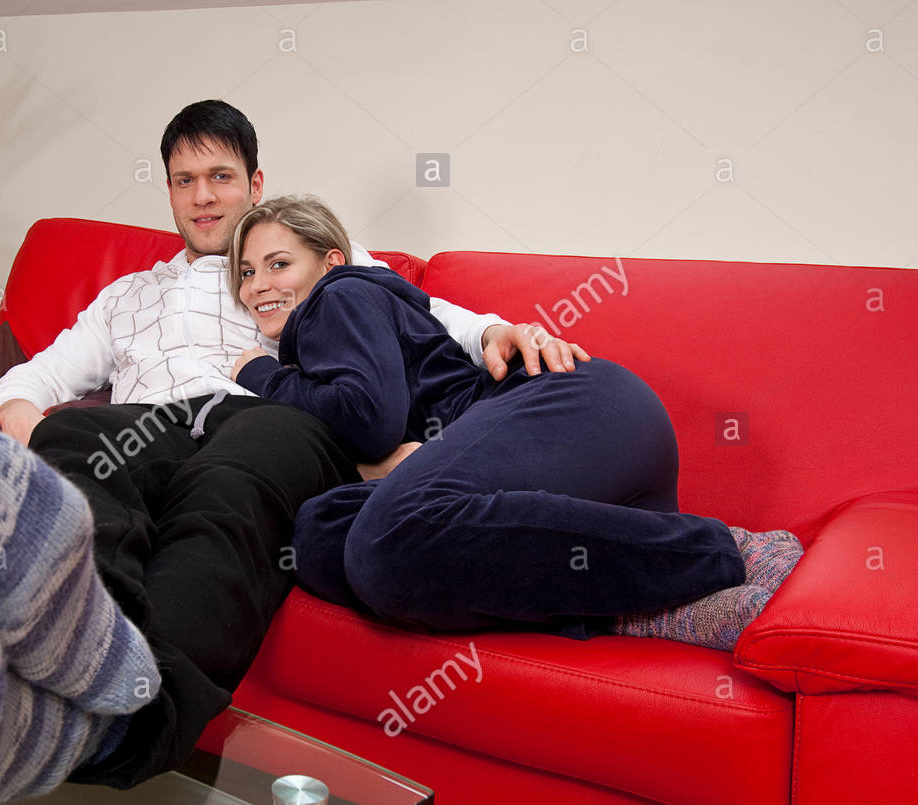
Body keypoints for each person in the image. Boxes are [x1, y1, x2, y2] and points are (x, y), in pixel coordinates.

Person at [0, 101, 593, 805]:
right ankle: (56, 661)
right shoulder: (127, 296)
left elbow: (428, 310)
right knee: (77, 440)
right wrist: (32, 439)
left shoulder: (291, 255)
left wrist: (503, 327)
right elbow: (27, 382)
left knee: (227, 495)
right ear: (169, 191)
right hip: (145, 427)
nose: (205, 196)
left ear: (255, 180)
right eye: (185, 180)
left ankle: (126, 725)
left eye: (221, 175)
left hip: (271, 422)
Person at [229, 195, 803, 645]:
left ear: (330, 261)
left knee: (381, 543)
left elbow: (372, 418)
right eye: (247, 274)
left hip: (571, 404)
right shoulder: (340, 335)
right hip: (575, 486)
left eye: (279, 263)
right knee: (320, 535)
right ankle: (630, 607)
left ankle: (725, 549)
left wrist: (262, 375)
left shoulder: (339, 295)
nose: (259, 286)